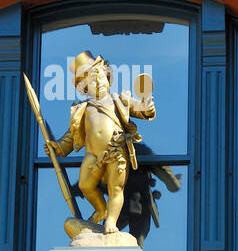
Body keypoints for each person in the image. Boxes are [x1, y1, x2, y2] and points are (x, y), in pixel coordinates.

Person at [45, 50, 155, 236]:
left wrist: (146, 107)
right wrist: (59, 147)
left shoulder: (120, 100)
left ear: (108, 76)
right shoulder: (82, 109)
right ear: (84, 87)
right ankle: (101, 209)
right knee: (85, 185)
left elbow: (142, 110)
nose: (98, 82)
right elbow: (72, 136)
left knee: (116, 188)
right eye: (92, 80)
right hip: (92, 155)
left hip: (116, 151)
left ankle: (110, 221)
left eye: (101, 76)